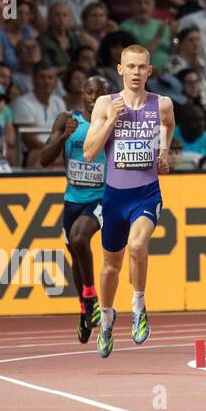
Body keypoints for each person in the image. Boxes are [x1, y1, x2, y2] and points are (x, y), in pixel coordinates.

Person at [81, 45, 177, 358]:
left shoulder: (162, 104)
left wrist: (163, 153)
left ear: (150, 71)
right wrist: (111, 122)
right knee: (110, 267)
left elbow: (168, 127)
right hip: (113, 197)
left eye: (142, 67)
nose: (136, 73)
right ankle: (107, 318)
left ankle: (139, 306)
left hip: (147, 193)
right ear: (120, 70)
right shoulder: (105, 104)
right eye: (130, 67)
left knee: (137, 246)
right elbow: (89, 152)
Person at [38, 75, 110, 342]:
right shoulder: (67, 120)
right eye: (89, 92)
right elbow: (43, 160)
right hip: (72, 198)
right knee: (75, 255)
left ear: (107, 96)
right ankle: (84, 309)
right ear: (83, 93)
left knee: (80, 238)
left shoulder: (112, 123)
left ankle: (90, 295)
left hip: (101, 197)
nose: (93, 97)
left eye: (99, 93)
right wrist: (63, 137)